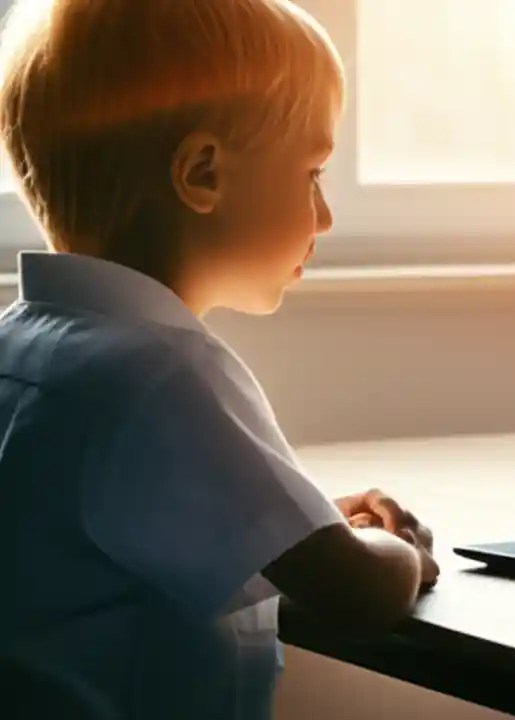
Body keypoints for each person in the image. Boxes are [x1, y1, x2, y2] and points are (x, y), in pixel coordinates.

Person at [0, 2, 438, 717]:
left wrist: (298, 524)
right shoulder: (163, 377)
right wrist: (403, 552)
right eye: (312, 173)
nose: (326, 216)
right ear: (203, 173)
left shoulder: (23, 357)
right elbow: (355, 592)